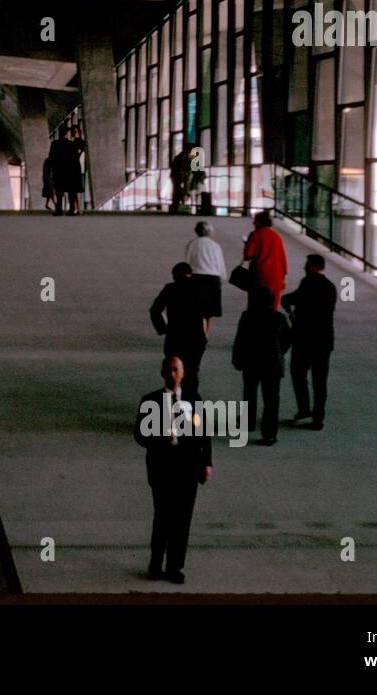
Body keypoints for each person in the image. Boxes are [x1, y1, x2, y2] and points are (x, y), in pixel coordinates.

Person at [134, 356, 212, 584]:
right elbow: (139, 435)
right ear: (162, 373)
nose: (172, 374)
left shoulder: (194, 400)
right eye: (168, 370)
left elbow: (203, 435)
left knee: (182, 520)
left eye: (176, 370)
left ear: (183, 373)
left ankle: (175, 567)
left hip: (188, 468)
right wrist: (160, 436)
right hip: (163, 469)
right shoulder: (150, 401)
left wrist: (207, 463)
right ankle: (155, 564)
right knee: (163, 518)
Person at [282, 254, 338, 430]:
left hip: (304, 338)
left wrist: (287, 307)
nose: (304, 267)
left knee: (298, 373)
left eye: (307, 265)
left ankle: (304, 408)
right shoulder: (330, 287)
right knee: (320, 380)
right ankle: (318, 417)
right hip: (324, 339)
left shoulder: (307, 282)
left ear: (315, 266)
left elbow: (294, 298)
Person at [232, 284, 291, 445]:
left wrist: (237, 359)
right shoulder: (279, 318)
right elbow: (287, 339)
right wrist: (280, 352)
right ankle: (269, 434)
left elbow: (240, 340)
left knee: (249, 393)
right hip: (272, 365)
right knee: (271, 400)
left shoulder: (247, 316)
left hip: (251, 362)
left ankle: (248, 422)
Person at [149, 262, 209, 396]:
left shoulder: (170, 288)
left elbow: (154, 310)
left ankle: (175, 400)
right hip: (195, 339)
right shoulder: (200, 288)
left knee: (174, 372)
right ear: (190, 274)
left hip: (175, 338)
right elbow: (206, 315)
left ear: (175, 275)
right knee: (192, 372)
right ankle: (192, 401)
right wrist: (203, 337)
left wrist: (163, 329)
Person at [242, 210, 288, 311]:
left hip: (259, 276)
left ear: (260, 222)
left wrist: (246, 244)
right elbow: (283, 259)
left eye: (255, 221)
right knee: (273, 307)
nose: (253, 223)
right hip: (276, 277)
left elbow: (247, 255)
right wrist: (283, 277)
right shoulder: (276, 236)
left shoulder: (255, 235)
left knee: (255, 306)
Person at [185, 221, 226, 330]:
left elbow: (187, 262)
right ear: (209, 231)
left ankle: (198, 332)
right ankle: (205, 333)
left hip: (196, 278)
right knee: (209, 312)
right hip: (212, 279)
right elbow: (220, 263)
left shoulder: (191, 244)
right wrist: (222, 276)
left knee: (196, 310)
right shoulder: (215, 245)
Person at [169, 147, 194, 213]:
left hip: (175, 176)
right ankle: (180, 205)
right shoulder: (186, 159)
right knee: (181, 190)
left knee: (177, 190)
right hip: (179, 176)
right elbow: (186, 172)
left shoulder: (178, 157)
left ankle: (175, 205)